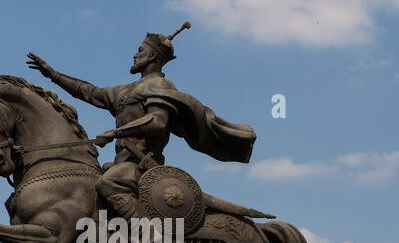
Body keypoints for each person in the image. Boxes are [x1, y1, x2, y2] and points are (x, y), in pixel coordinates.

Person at [26, 22, 256, 222]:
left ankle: (148, 237)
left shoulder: (160, 86)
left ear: (153, 56)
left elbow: (157, 122)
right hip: (119, 164)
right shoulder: (126, 91)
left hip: (143, 167)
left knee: (107, 184)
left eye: (140, 50)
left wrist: (115, 133)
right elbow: (89, 92)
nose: (134, 55)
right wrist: (52, 74)